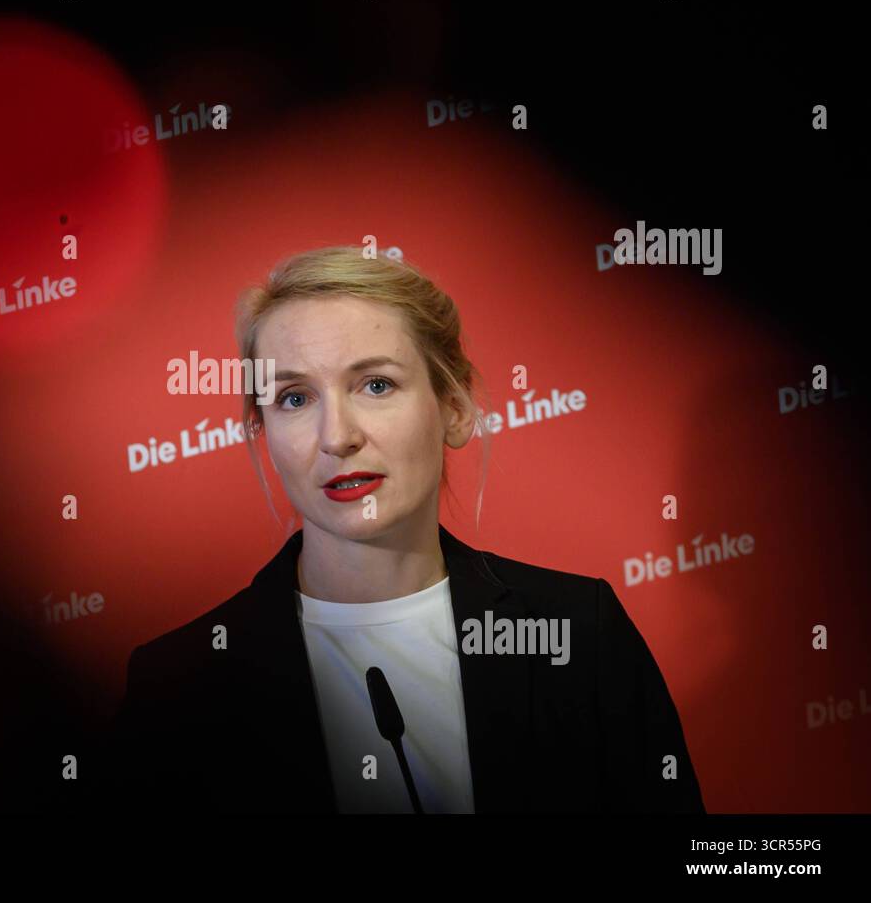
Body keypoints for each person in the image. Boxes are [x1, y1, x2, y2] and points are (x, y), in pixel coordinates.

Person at [103, 245, 705, 814]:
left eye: (376, 384)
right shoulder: (177, 684)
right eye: (293, 398)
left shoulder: (579, 630)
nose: (336, 436)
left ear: (454, 408)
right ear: (261, 429)